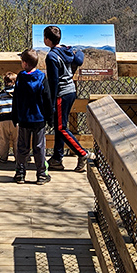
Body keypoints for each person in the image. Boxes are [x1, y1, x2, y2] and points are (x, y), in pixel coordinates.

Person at [43, 24, 89, 172]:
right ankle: (57, 158)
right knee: (59, 126)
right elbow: (79, 58)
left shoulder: (51, 57)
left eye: (44, 37)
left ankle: (82, 153)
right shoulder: (66, 50)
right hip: (71, 91)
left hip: (61, 94)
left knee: (61, 128)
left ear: (48, 40)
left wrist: (51, 103)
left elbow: (53, 81)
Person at [11, 48, 52, 185]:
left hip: (24, 119)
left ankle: (20, 173)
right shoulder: (41, 78)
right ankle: (41, 174)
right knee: (39, 147)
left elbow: (15, 98)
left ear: (24, 63)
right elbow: (47, 98)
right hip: (39, 119)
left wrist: (15, 115)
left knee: (22, 147)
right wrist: (49, 116)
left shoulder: (20, 78)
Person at [0, 72, 18, 163]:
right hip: (15, 120)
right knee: (16, 140)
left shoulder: (1, 93)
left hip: (3, 119)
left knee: (4, 140)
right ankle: (18, 158)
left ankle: (3, 158)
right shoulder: (18, 93)